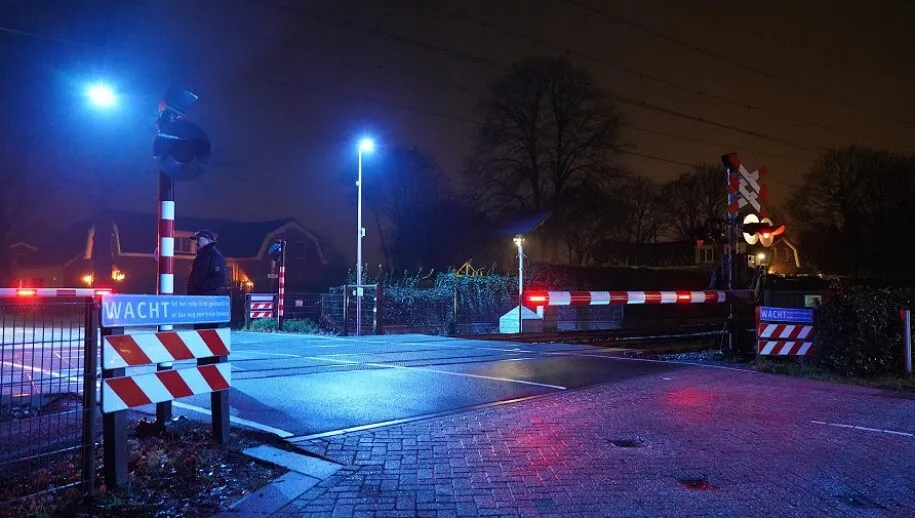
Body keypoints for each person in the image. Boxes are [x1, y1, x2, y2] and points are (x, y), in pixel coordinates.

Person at [186, 230, 228, 296]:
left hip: (208, 299)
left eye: (199, 239)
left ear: (208, 240)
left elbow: (219, 278)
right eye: (196, 240)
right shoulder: (200, 257)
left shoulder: (215, 256)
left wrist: (202, 288)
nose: (196, 242)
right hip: (198, 297)